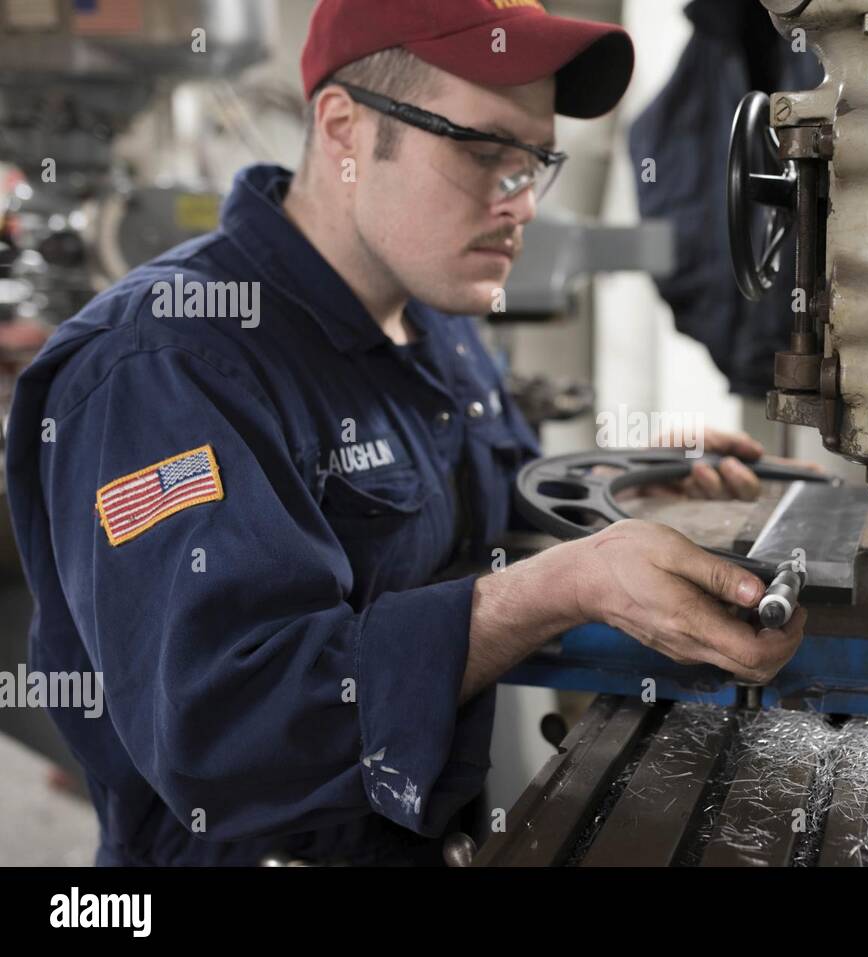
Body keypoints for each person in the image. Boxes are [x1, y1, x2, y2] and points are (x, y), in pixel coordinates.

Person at [4, 0, 807, 866]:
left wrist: (630, 479)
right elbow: (228, 729)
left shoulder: (431, 316)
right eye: (484, 151)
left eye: (536, 160)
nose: (523, 202)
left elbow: (481, 504)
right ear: (345, 129)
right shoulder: (164, 364)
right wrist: (561, 586)